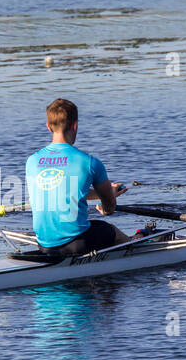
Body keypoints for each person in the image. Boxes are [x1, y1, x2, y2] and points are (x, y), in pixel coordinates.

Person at [25, 98, 131, 256]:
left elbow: (65, 190)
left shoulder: (32, 161)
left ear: (48, 127)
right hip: (77, 244)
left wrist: (105, 192)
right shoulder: (89, 162)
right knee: (110, 230)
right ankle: (135, 245)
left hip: (44, 244)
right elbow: (109, 208)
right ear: (75, 125)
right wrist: (107, 201)